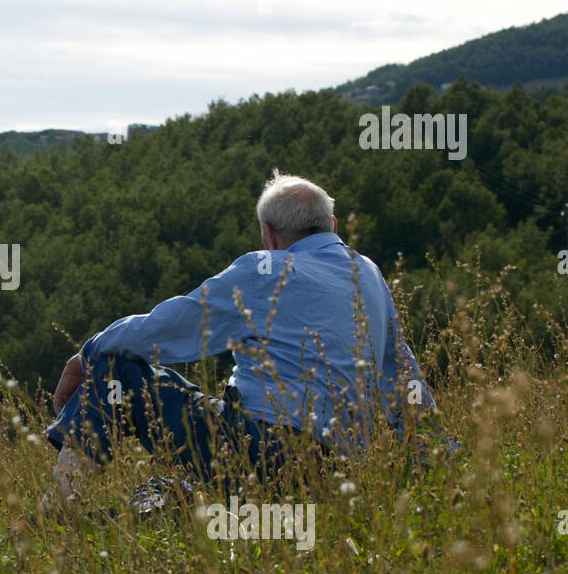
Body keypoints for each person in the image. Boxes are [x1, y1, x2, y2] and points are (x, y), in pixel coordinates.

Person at [42, 170, 438, 516]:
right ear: (333, 226)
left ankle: (55, 510)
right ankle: (188, 502)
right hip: (335, 476)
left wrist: (85, 354)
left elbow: (163, 328)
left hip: (260, 454)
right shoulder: (366, 272)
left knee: (117, 371)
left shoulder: (264, 271)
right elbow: (401, 372)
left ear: (268, 234)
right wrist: (439, 457)